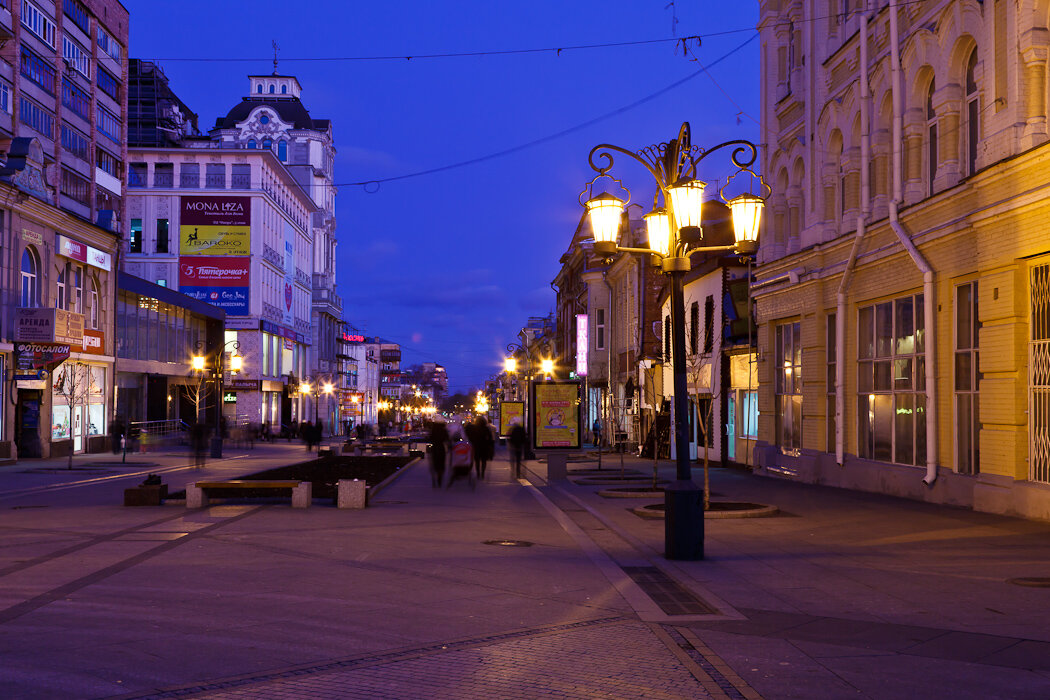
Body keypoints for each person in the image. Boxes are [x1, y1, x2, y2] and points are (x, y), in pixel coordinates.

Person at [467, 415, 494, 480]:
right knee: (484, 460)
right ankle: (483, 473)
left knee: (477, 461)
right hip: (484, 447)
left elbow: (469, 437)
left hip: (476, 446)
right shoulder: (486, 428)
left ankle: (478, 473)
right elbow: (490, 438)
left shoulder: (473, 428)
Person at [428, 420, 451, 487]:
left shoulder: (433, 431)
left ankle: (435, 477)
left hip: (434, 448)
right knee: (441, 463)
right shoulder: (444, 430)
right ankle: (440, 476)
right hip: (441, 448)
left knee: (435, 463)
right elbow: (447, 439)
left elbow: (430, 438)